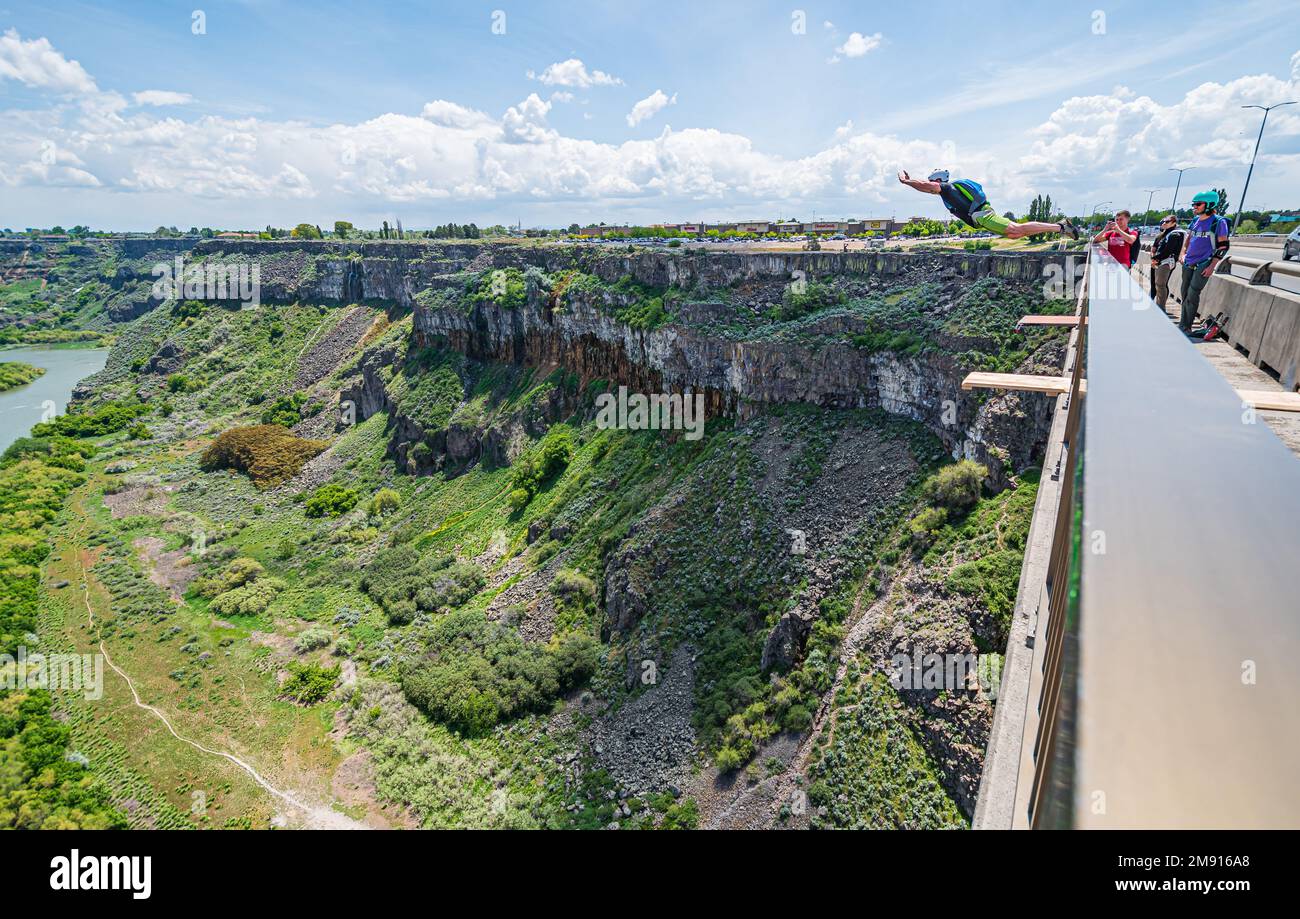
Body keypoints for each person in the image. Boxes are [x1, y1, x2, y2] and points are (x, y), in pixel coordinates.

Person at [897, 170, 1079, 239]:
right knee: (1015, 234)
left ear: (938, 180)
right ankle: (1060, 228)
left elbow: (925, 186)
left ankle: (1060, 226)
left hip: (983, 216)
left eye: (932, 181)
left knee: (1016, 229)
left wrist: (907, 182)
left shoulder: (946, 188)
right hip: (982, 217)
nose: (931, 186)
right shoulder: (949, 192)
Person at [1177, 190, 1230, 333]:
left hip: (1204, 263)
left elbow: (1223, 247)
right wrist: (1182, 254)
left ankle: (1187, 327)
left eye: (1198, 204)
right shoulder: (1195, 221)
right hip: (1188, 262)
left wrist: (1212, 266)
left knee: (1193, 294)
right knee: (1184, 293)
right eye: (1194, 204)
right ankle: (1182, 324)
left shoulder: (1218, 222)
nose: (1194, 207)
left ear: (1209, 204)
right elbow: (1188, 240)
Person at [1148, 214, 1187, 310]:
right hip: (1157, 261)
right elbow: (1154, 249)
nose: (1164, 223)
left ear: (1174, 223)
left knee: (1161, 285)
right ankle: (1152, 305)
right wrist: (1153, 258)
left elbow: (1168, 251)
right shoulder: (1161, 235)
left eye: (1167, 222)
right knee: (1154, 284)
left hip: (1165, 262)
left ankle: (1160, 308)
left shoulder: (1175, 234)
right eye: (1163, 222)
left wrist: (1156, 259)